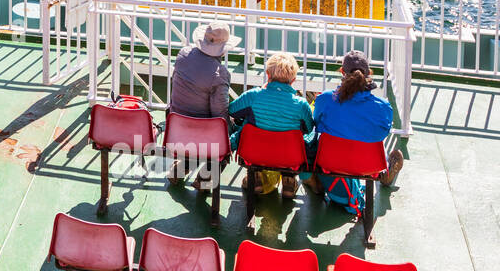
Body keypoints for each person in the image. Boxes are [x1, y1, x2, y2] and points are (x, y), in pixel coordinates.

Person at [305, 50, 405, 212]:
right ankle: (384, 170)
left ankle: (313, 179)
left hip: (329, 161)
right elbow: (383, 133)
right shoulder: (383, 106)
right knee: (374, 141)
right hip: (369, 165)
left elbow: (316, 123)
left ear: (342, 72)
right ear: (368, 73)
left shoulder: (325, 99)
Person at [228, 52, 315, 199]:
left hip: (253, 154)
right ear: (293, 80)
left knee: (243, 124)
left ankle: (255, 175)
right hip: (289, 158)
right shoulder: (301, 105)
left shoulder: (253, 95)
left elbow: (231, 111)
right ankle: (289, 178)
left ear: (268, 75)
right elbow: (309, 128)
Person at [169, 22, 236, 119]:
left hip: (175, 122)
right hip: (202, 128)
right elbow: (220, 115)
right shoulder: (220, 74)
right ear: (224, 47)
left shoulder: (183, 54)